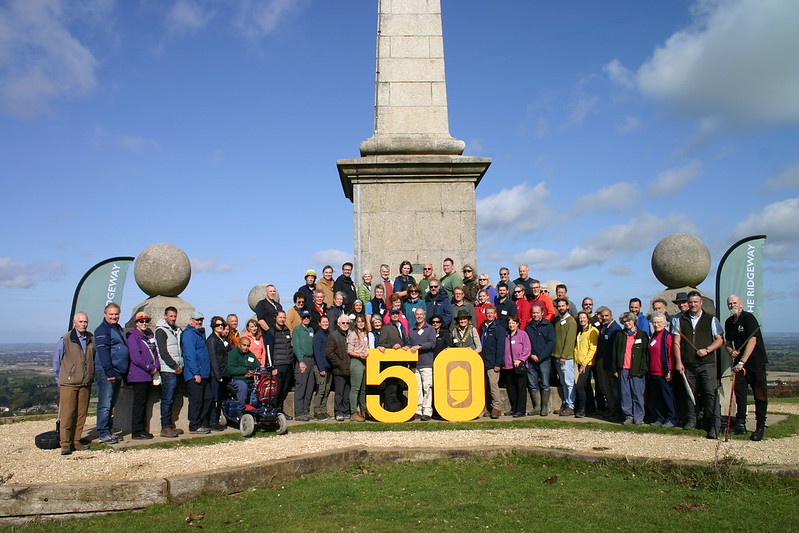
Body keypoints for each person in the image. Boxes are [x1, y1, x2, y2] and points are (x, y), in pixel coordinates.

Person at [672, 291, 724, 439]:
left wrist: (707, 350)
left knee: (710, 394)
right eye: (691, 302)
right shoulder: (680, 320)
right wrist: (679, 362)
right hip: (688, 364)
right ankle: (691, 421)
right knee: (689, 394)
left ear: (701, 303)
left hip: (707, 364)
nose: (693, 305)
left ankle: (715, 425)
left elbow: (719, 340)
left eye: (696, 302)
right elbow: (677, 343)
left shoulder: (711, 319)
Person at [724, 295, 768, 441]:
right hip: (739, 363)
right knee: (740, 393)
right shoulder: (729, 322)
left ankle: (760, 426)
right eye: (730, 303)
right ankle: (740, 424)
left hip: (755, 362)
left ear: (741, 304)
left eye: (735, 303)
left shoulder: (749, 318)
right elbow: (728, 342)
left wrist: (742, 361)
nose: (732, 305)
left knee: (759, 394)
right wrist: (731, 351)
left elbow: (752, 341)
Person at [53, 312, 95, 455]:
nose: (83, 324)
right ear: (74, 322)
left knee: (81, 414)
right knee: (68, 413)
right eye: (81, 321)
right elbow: (56, 360)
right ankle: (65, 443)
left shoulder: (91, 338)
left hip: (85, 382)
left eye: (85, 322)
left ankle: (76, 441)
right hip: (69, 383)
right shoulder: (65, 339)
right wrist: (59, 379)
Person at [93, 303, 129, 445]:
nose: (114, 316)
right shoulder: (102, 330)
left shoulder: (117, 328)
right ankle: (103, 433)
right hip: (108, 371)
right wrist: (109, 372)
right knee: (105, 403)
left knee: (111, 402)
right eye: (111, 314)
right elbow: (103, 352)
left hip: (118, 370)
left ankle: (107, 430)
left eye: (116, 314)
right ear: (105, 314)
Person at [125, 312, 158, 440]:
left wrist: (156, 366)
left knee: (143, 402)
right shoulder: (133, 336)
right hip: (138, 375)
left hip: (147, 375)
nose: (144, 323)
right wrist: (149, 367)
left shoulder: (149, 335)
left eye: (146, 321)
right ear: (136, 323)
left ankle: (142, 429)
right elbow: (136, 357)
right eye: (141, 321)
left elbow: (154, 352)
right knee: (139, 403)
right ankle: (137, 431)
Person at [613, 312, 649, 425]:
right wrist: (614, 369)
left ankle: (639, 417)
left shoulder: (642, 335)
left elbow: (645, 354)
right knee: (625, 394)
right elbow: (615, 352)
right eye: (624, 322)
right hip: (623, 368)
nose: (627, 323)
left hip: (637, 370)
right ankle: (628, 416)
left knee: (637, 394)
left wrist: (642, 370)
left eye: (629, 321)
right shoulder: (620, 335)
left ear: (634, 321)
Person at [182, 311, 212, 434]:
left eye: (201, 320)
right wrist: (195, 373)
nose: (199, 322)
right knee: (196, 400)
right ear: (191, 320)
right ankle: (194, 425)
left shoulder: (200, 333)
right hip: (195, 374)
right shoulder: (188, 334)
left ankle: (198, 422)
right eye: (197, 320)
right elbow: (190, 355)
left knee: (208, 397)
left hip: (204, 373)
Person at [155, 306, 183, 438]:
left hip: (176, 368)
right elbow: (163, 352)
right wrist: (174, 366)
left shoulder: (176, 330)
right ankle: (165, 427)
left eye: (174, 316)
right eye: (171, 316)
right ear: (165, 316)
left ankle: (170, 425)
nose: (173, 318)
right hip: (168, 370)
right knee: (167, 399)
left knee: (171, 399)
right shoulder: (161, 331)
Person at [377, 307, 411, 412]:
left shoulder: (402, 327)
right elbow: (381, 343)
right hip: (391, 363)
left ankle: (399, 408)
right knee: (391, 387)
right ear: (390, 315)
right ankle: (391, 409)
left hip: (402, 361)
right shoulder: (385, 328)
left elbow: (405, 341)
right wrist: (392, 345)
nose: (395, 315)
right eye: (393, 314)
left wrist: (407, 346)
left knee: (400, 385)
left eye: (397, 313)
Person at [647, 312, 677, 428]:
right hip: (653, 372)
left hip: (664, 372)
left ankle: (671, 418)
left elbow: (670, 355)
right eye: (654, 322)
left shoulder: (667, 336)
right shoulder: (653, 336)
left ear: (664, 323)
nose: (656, 324)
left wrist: (669, 370)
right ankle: (660, 417)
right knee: (657, 397)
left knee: (667, 396)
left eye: (659, 322)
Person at [525, 305, 555, 416]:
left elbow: (551, 342)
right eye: (533, 313)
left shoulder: (548, 326)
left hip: (544, 359)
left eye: (537, 313)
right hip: (531, 359)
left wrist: (541, 356)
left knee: (545, 384)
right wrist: (531, 355)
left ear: (542, 313)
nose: (535, 315)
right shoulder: (528, 327)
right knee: (533, 384)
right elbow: (527, 343)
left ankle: (544, 407)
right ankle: (537, 407)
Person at [596, 306, 623, 422]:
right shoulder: (605, 327)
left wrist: (614, 367)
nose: (604, 318)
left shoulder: (616, 329)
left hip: (611, 364)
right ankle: (610, 408)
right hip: (604, 361)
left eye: (607, 316)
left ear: (611, 316)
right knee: (605, 387)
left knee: (613, 389)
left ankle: (616, 411)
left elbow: (616, 349)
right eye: (603, 316)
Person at [410, 308, 437, 421]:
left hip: (426, 363)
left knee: (427, 388)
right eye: (417, 314)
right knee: (417, 389)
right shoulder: (411, 330)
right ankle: (418, 410)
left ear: (424, 316)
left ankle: (427, 411)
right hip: (415, 364)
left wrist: (420, 346)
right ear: (415, 316)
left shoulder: (430, 329)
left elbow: (432, 343)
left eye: (421, 314)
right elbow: (409, 344)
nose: (419, 316)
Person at [552, 298, 577, 416]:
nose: (561, 308)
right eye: (559, 306)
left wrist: (564, 356)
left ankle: (571, 405)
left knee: (569, 382)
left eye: (563, 306)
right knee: (563, 382)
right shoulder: (557, 320)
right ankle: (566, 403)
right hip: (557, 356)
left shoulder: (571, 321)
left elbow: (570, 341)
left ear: (567, 306)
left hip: (565, 358)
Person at [502, 316, 531, 417]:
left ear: (518, 324)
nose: (511, 325)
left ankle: (520, 410)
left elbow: (527, 349)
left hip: (519, 366)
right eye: (509, 323)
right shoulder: (506, 335)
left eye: (513, 323)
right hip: (508, 366)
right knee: (511, 389)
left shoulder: (523, 334)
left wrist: (520, 359)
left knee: (520, 389)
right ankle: (514, 408)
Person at [480, 305, 506, 419]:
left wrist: (498, 363)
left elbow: (501, 346)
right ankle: (490, 408)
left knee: (493, 385)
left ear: (495, 314)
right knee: (487, 386)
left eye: (491, 313)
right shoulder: (484, 326)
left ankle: (497, 408)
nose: (489, 315)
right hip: (484, 361)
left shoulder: (498, 327)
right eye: (488, 313)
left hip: (493, 362)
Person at [326, 314, 352, 421]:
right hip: (339, 370)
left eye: (347, 323)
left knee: (347, 392)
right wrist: (339, 363)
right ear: (338, 324)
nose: (345, 325)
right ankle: (338, 411)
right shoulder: (333, 336)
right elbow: (329, 353)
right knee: (339, 393)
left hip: (350, 369)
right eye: (343, 323)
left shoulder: (351, 335)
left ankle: (346, 411)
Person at [573, 311, 599, 418]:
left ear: (588, 319)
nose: (582, 319)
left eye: (584, 318)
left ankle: (582, 409)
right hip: (579, 362)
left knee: (579, 386)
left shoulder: (592, 331)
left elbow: (593, 349)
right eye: (580, 318)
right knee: (586, 386)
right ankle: (591, 407)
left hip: (587, 363)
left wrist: (584, 364)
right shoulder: (581, 331)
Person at [206, 316, 229, 431]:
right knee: (215, 398)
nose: (220, 327)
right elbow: (213, 358)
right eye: (217, 325)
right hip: (216, 374)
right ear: (213, 326)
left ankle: (217, 420)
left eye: (222, 325)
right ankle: (212, 421)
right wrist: (218, 375)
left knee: (220, 398)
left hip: (223, 373)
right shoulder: (211, 339)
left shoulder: (221, 339)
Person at [269, 310, 294, 416]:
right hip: (278, 365)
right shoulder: (271, 332)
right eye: (280, 317)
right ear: (276, 318)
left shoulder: (286, 330)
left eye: (284, 317)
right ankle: (274, 410)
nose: (282, 319)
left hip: (287, 364)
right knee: (277, 390)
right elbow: (268, 350)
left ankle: (280, 410)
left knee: (284, 389)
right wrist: (271, 367)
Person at [292, 310, 316, 421]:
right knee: (301, 386)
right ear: (301, 318)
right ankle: (299, 412)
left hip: (311, 360)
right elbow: (296, 346)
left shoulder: (311, 329)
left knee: (309, 387)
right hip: (302, 360)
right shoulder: (297, 330)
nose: (306, 319)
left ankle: (306, 411)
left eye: (308, 317)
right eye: (304, 317)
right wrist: (300, 361)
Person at [347, 314, 370, 422]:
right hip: (357, 361)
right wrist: (359, 355)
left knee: (363, 389)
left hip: (366, 362)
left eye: (362, 321)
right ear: (355, 323)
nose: (360, 323)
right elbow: (349, 350)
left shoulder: (366, 334)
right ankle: (353, 412)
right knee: (355, 388)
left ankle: (363, 409)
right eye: (358, 321)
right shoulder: (353, 334)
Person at [227, 336, 259, 405]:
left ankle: (257, 406)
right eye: (244, 345)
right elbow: (230, 370)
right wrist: (245, 371)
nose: (246, 347)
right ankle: (241, 407)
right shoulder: (232, 354)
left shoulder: (250, 355)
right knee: (242, 386)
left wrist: (254, 372)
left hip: (250, 379)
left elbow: (258, 366)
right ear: (239, 344)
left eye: (248, 346)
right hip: (235, 380)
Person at [312, 315, 332, 420]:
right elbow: (317, 353)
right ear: (319, 323)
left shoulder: (329, 334)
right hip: (320, 367)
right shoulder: (318, 335)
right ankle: (317, 410)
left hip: (329, 367)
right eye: (323, 322)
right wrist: (321, 368)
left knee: (327, 390)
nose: (325, 324)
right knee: (321, 390)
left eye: (327, 322)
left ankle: (323, 409)